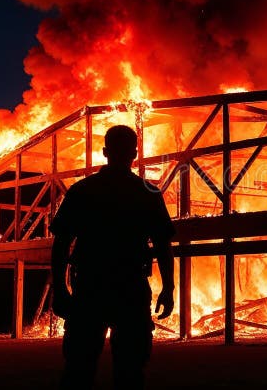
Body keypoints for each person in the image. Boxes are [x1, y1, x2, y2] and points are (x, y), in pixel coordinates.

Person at [50, 125, 175, 389]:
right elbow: (163, 244)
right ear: (135, 153)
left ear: (104, 151)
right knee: (130, 371)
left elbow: (61, 244)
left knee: (78, 369)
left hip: (89, 289)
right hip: (130, 289)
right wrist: (169, 287)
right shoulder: (147, 192)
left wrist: (60, 289)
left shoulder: (81, 191)